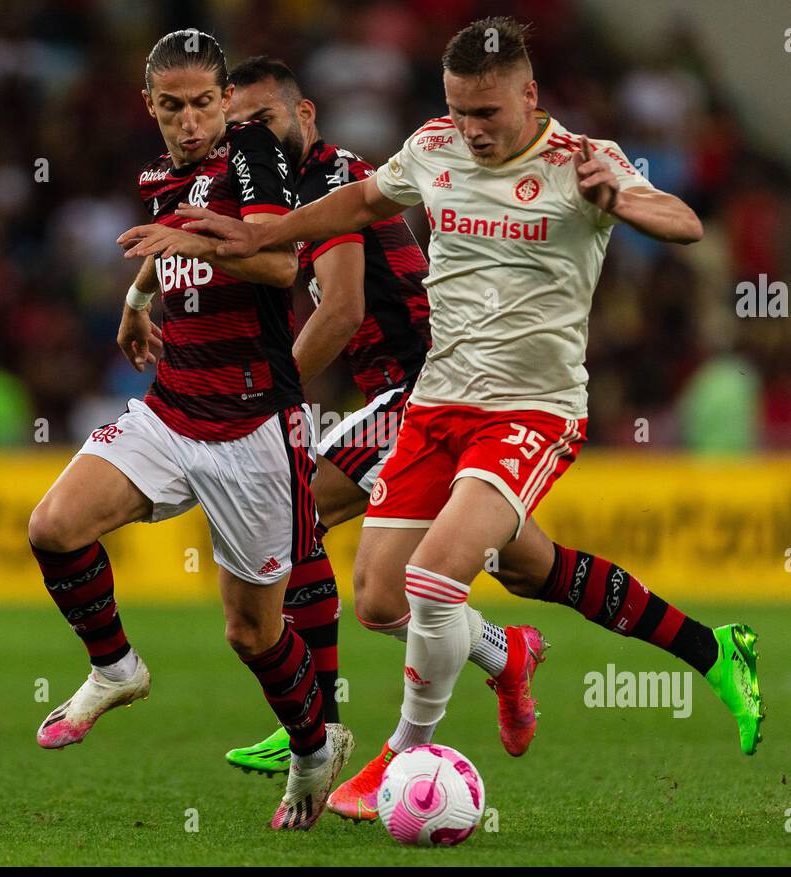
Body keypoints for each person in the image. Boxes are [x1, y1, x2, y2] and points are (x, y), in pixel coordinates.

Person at [129, 17, 764, 824]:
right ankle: (707, 649)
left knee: (420, 571)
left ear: (530, 97)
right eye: (461, 111)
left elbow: (683, 218)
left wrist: (628, 204)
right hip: (436, 405)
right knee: (399, 596)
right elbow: (358, 204)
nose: (473, 130)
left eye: (489, 114)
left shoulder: (581, 161)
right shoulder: (432, 146)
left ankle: (386, 752)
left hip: (529, 413)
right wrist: (256, 236)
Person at [30, 29, 351, 832]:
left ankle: (314, 749)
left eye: (203, 102)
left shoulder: (255, 152)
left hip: (251, 427)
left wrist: (188, 241)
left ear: (223, 98)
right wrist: (141, 299)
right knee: (54, 526)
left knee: (252, 633)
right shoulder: (163, 173)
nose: (189, 120)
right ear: (150, 106)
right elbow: (177, 229)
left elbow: (280, 265)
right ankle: (116, 667)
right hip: (172, 410)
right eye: (171, 107)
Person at [218, 57, 564, 783]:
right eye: (238, 127)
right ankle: (501, 655)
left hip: (420, 389)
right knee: (518, 564)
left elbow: (341, 311)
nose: (251, 137)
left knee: (297, 511)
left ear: (304, 113)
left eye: (264, 120)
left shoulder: (328, 182)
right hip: (405, 391)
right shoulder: (300, 186)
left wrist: (266, 394)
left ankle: (317, 725)